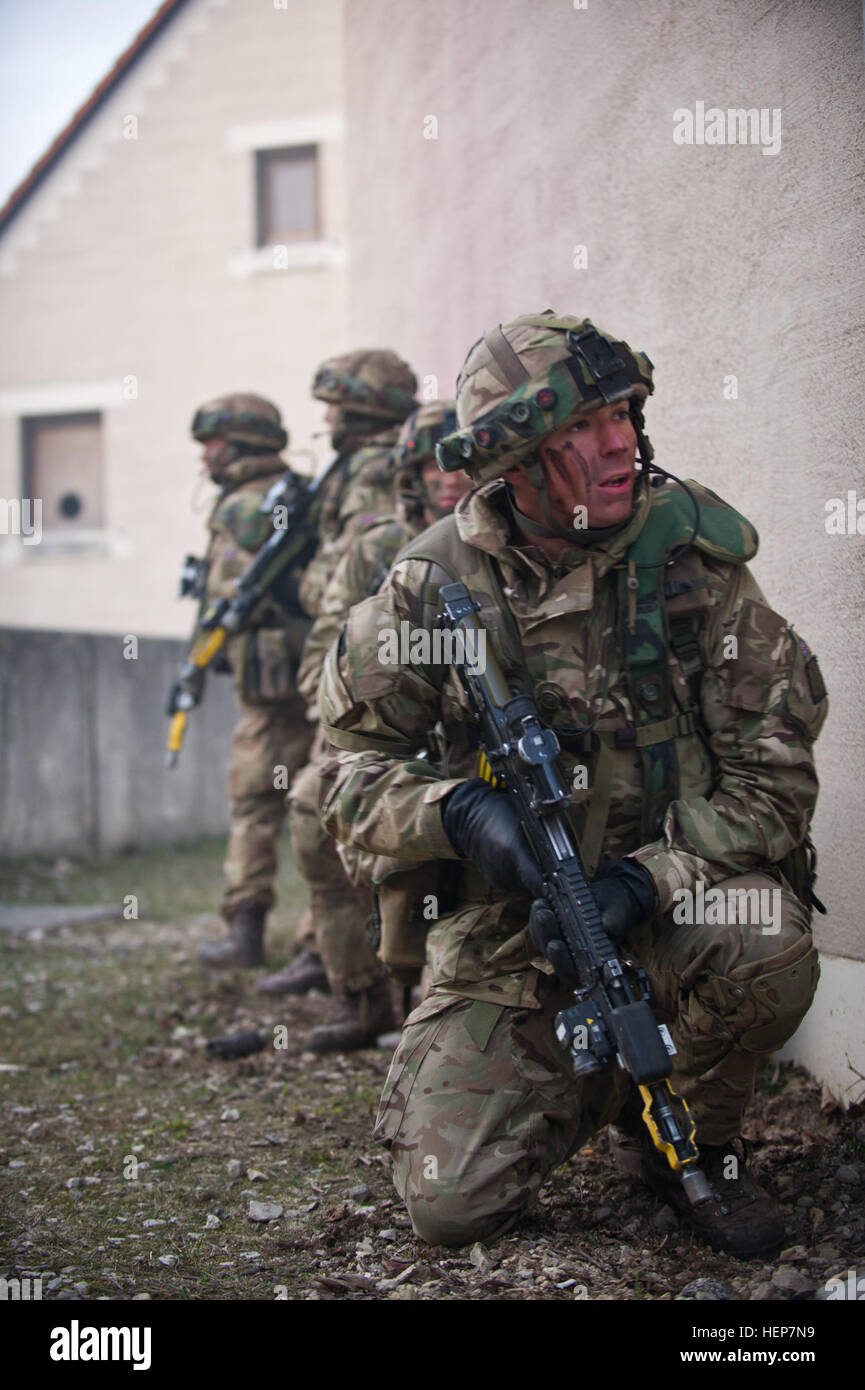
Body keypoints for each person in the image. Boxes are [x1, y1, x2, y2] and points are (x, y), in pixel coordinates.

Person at [315, 312, 827, 1255]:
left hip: (674, 907)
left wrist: (646, 880)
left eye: (625, 413)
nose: (620, 441)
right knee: (449, 1206)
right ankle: (590, 1077)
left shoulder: (691, 563)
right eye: (583, 429)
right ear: (513, 461)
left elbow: (774, 778)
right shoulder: (432, 586)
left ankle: (692, 1147)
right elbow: (343, 772)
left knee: (766, 942)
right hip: (514, 936)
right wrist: (458, 813)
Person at [257, 401, 471, 1054]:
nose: (447, 479)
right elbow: (329, 641)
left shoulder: (498, 541)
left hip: (471, 734)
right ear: (409, 475)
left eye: (455, 463)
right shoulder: (376, 547)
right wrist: (348, 723)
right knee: (309, 805)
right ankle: (359, 993)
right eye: (430, 467)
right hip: (388, 726)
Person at [187, 393, 315, 969]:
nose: (204, 458)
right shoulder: (282, 498)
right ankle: (310, 942)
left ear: (239, 444)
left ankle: (255, 935)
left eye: (210, 445)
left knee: (259, 803)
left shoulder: (253, 505)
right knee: (308, 806)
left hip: (279, 688)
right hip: (290, 680)